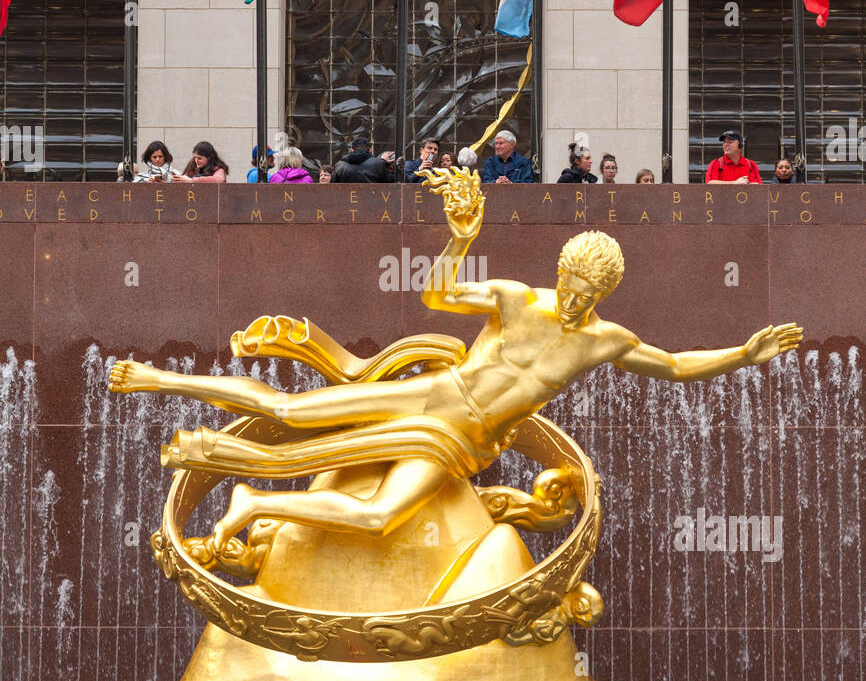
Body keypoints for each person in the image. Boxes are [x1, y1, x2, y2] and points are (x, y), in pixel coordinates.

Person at [110, 168, 802, 548]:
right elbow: (437, 294)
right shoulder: (513, 297)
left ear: (605, 292)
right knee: (292, 410)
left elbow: (676, 365)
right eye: (567, 282)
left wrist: (744, 353)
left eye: (586, 291)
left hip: (462, 446)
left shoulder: (605, 340)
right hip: (434, 399)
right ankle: (156, 379)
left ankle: (255, 500)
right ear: (558, 273)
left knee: (382, 518)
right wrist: (459, 237)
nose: (571, 297)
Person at [116, 140, 183, 183]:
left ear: (165, 157)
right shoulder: (141, 178)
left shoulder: (176, 175)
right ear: (149, 158)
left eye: (160, 156)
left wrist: (167, 186)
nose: (157, 159)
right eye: (154, 157)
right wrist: (147, 186)